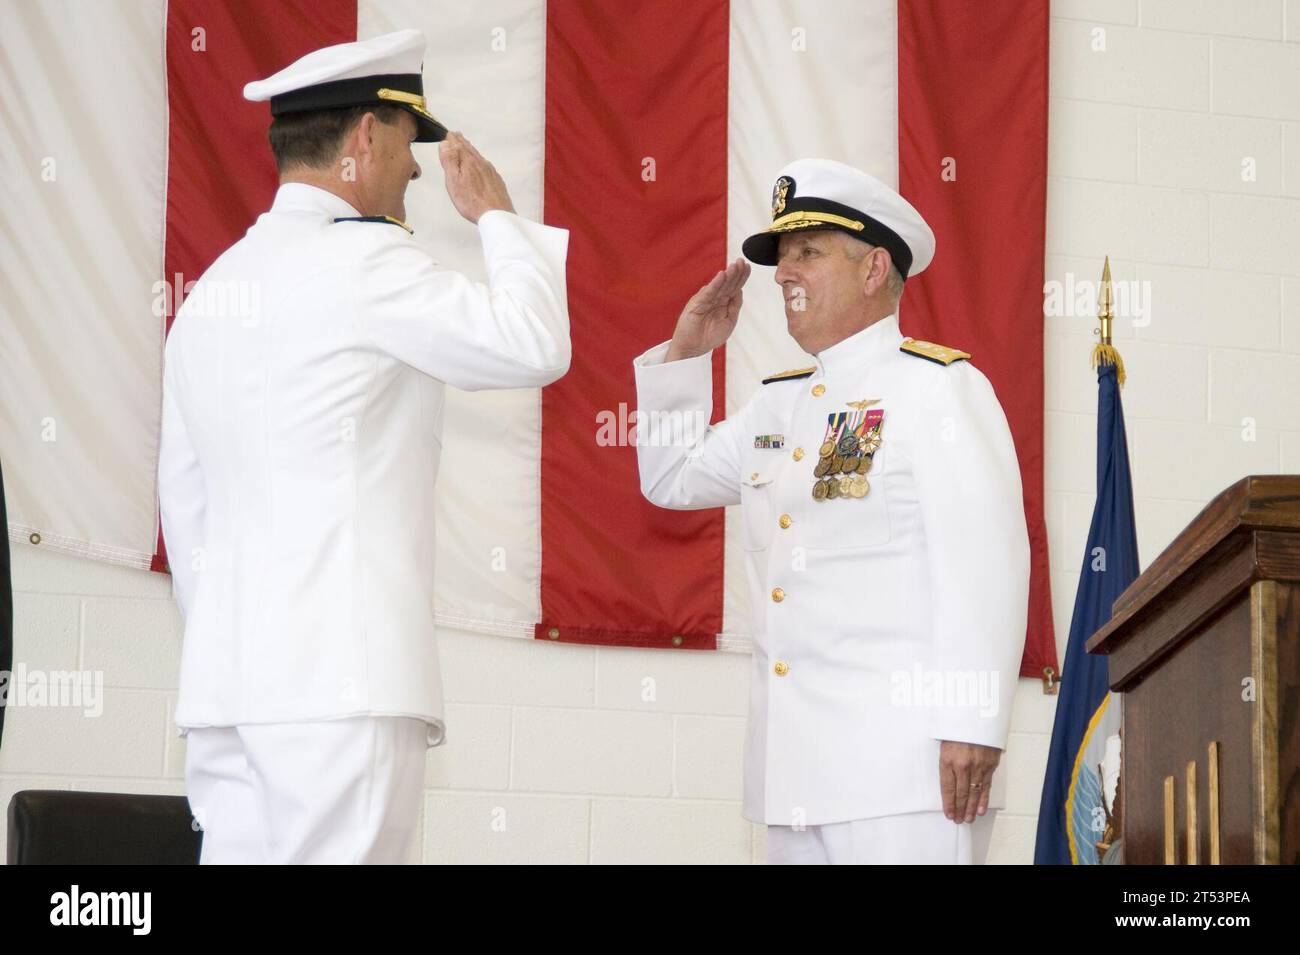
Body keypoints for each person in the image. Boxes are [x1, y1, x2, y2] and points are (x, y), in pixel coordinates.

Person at [157, 29, 570, 864]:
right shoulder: (369, 264)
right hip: (341, 687)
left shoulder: (214, 291)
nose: (415, 171)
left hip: (230, 688)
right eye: (406, 146)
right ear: (364, 139)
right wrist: (497, 219)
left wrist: (242, 641)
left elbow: (185, 501)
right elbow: (535, 344)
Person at [633, 158, 1029, 864]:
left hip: (909, 775)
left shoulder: (940, 390)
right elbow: (671, 478)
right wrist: (685, 355)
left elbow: (985, 561)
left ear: (875, 268)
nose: (784, 273)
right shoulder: (778, 403)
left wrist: (974, 723)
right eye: (781, 257)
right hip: (795, 775)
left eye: (807, 252)